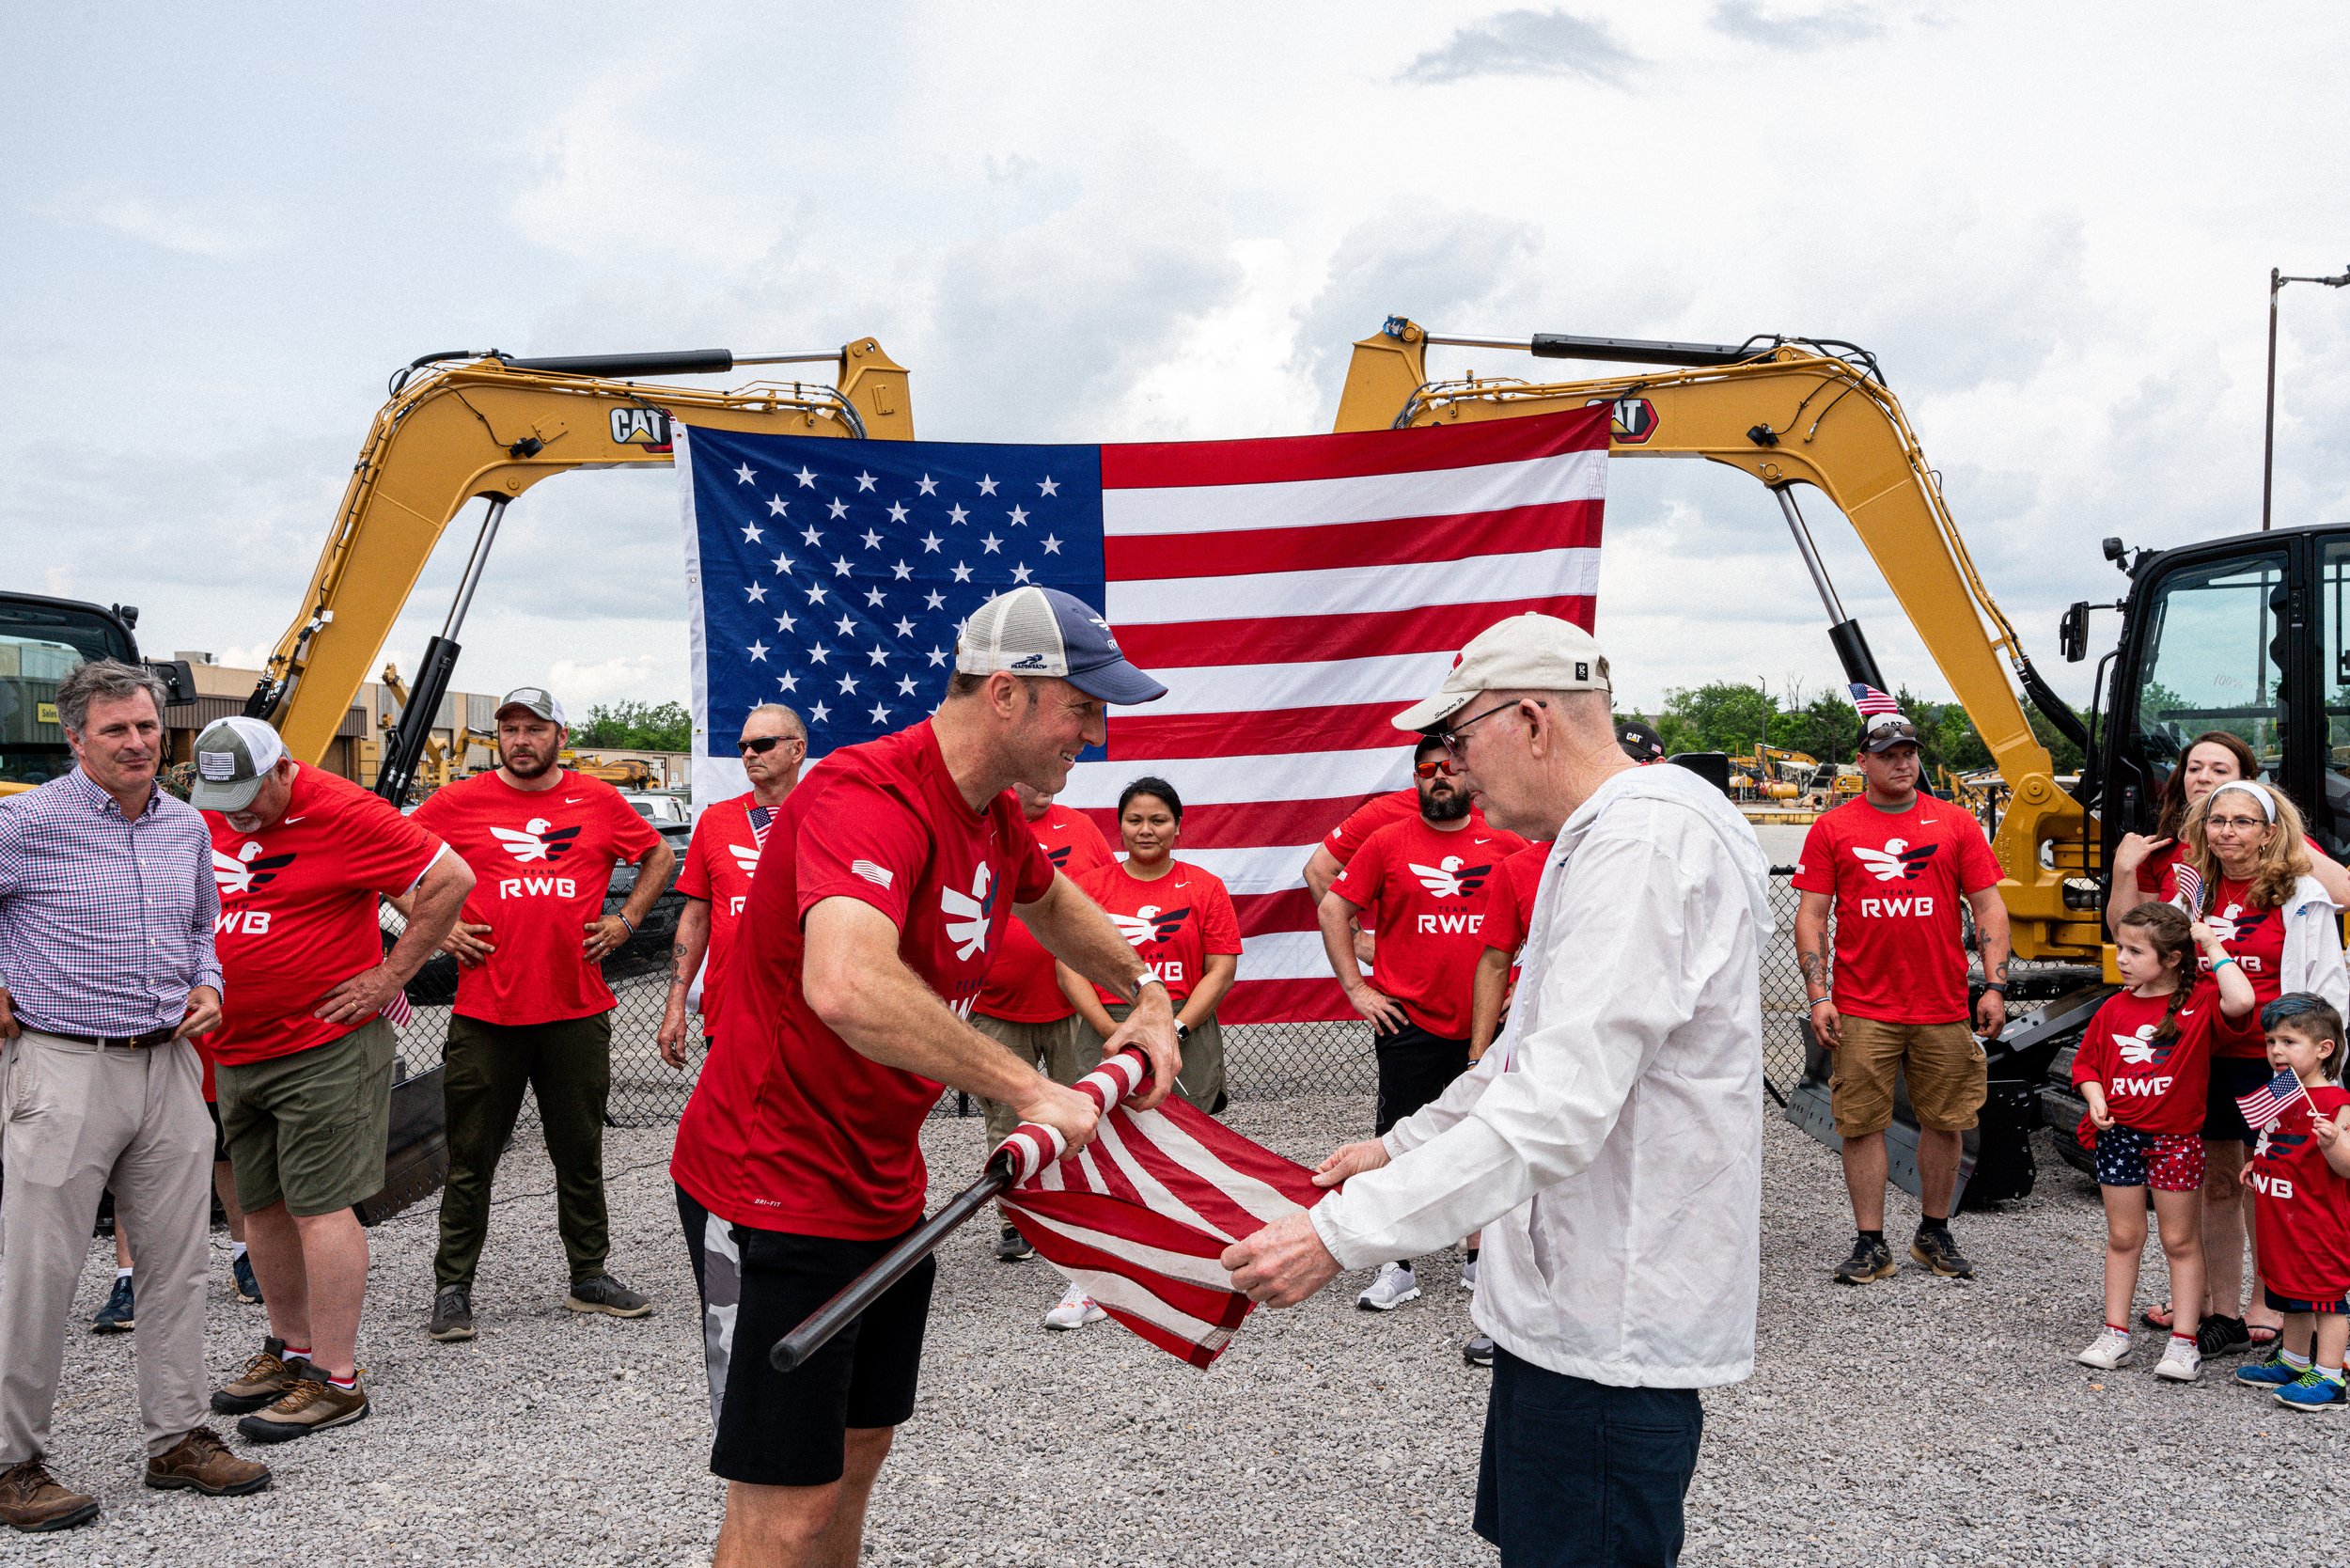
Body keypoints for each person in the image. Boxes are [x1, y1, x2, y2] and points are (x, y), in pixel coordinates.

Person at [1224, 612, 1775, 1568]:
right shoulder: (1596, 838)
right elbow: (1520, 1057)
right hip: (1568, 1313)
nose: (1453, 763)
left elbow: (1553, 1109)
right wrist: (1399, 1148)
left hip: (1613, 1320)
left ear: (1529, 720)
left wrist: (1340, 1234)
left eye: (1460, 735)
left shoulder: (1642, 848)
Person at [666, 586, 1183, 1568]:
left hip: (877, 1187)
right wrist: (1031, 1091)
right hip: (771, 1188)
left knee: (858, 1456)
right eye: (1082, 707)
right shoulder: (871, 797)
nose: (1097, 732)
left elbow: (1051, 897)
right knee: (785, 1505)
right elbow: (848, 984)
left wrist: (1142, 989)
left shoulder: (988, 810)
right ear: (1006, 694)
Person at [0, 660, 269, 1533]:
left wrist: (210, 985)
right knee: (38, 1273)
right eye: (116, 730)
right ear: (74, 738)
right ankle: (12, 1464)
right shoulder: (24, 821)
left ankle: (178, 1437)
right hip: (64, 1065)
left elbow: (202, 929)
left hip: (169, 1070)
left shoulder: (186, 827)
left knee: (177, 1265)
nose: (137, 743)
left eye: (148, 727)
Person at [189, 716, 471, 1441]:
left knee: (318, 1207)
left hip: (322, 1044)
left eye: (253, 793)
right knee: (263, 1208)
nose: (240, 812)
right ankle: (289, 1350)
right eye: (226, 799)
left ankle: (337, 1381)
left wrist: (389, 976)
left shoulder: (345, 811)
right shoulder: (208, 810)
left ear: (285, 767)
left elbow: (449, 879)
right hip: (237, 1045)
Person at [408, 686, 677, 1341]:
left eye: (534, 728)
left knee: (579, 1151)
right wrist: (435, 927)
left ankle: (589, 1275)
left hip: (574, 1010)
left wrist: (628, 918)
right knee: (471, 1157)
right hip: (487, 1013)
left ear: (560, 735)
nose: (521, 740)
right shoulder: (460, 802)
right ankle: (453, 1289)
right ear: (497, 737)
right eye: (511, 729)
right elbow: (390, 854)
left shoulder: (599, 800)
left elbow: (660, 856)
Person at [1793, 701, 2010, 1285]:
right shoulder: (1835, 827)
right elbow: (1812, 916)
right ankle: (1871, 1243)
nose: (1902, 763)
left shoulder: (1955, 823)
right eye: (1888, 755)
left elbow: (1987, 903)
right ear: (1863, 762)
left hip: (1941, 1004)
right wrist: (1819, 995)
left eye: (1909, 753)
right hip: (1863, 1007)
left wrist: (1993, 984)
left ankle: (1933, 1231)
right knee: (1860, 1121)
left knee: (1949, 1121)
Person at [1318, 735, 1526, 1311]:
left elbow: (1546, 919)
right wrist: (1358, 988)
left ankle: (1479, 1256)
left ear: (1466, 775)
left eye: (1449, 769)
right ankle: (1395, 1263)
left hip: (1484, 1022)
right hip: (1408, 1019)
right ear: (1416, 778)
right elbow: (1333, 905)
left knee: (1485, 1135)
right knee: (1398, 1138)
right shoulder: (1387, 842)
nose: (1438, 777)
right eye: (1426, 769)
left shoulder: (1505, 843)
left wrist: (1521, 985)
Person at [1050, 776, 1242, 1330]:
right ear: (1120, 825)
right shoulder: (1091, 886)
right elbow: (1069, 965)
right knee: (1098, 1141)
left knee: (1188, 1139)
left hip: (1186, 1024)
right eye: (1135, 819)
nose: (1146, 829)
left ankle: (1190, 1257)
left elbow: (1221, 967)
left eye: (1158, 819)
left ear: (1178, 825)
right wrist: (1110, 1027)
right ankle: (1093, 1277)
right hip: (1108, 1025)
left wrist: (1176, 1029)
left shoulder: (1203, 886)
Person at [2170, 780, 2350, 1357]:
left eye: (2243, 821)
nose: (2227, 832)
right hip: (2211, 1056)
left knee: (2284, 1184)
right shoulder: (2195, 892)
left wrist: (2315, 1059)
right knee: (2220, 1184)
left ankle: (2284, 1310)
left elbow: (2326, 985)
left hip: (2273, 1062)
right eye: (2217, 820)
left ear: (2269, 831)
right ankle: (2225, 1311)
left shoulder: (2298, 892)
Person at [2071, 902, 2256, 1381]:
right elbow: (2087, 1064)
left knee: (2180, 1239)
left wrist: (2211, 944)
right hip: (2120, 1138)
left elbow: (2242, 1002)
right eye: (2120, 948)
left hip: (2175, 1140)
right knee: (2124, 1235)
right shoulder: (2114, 1007)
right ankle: (2116, 1333)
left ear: (2173, 958)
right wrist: (2094, 1097)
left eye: (2135, 950)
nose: (2123, 959)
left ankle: (2183, 1342)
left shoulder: (2198, 1004)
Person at [975, 779, 1114, 1264]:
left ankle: (1076, 1213)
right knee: (1008, 1119)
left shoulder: (1081, 828)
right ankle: (1018, 1221)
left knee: (1082, 1113)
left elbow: (1106, 905)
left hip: (1071, 1006)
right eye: (1028, 779)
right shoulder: (979, 827)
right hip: (994, 1007)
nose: (1043, 787)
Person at [660, 703, 807, 1070]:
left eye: (764, 743)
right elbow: (694, 920)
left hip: (812, 1012)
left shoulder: (829, 816)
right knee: (736, 1126)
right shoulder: (716, 821)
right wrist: (675, 1005)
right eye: (743, 747)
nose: (750, 754)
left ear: (797, 750)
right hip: (731, 1011)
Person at [2231, 995, 2350, 1409]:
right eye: (2270, 1041)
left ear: (2324, 1049)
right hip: (2282, 1216)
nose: (2276, 1051)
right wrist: (2257, 1167)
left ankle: (2331, 1377)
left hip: (2319, 1221)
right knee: (2290, 1291)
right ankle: (2296, 1361)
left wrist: (2334, 1143)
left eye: (2288, 1041)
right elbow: (2272, 1141)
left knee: (2326, 1297)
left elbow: (2348, 1167)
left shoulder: (2338, 1103)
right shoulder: (2282, 1091)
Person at [1459, 836, 1551, 1367]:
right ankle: (1507, 1320)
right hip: (1532, 1053)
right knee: (1514, 1186)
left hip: (1620, 1052)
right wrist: (1478, 1061)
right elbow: (1495, 961)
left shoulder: (1638, 851)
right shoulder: (1520, 868)